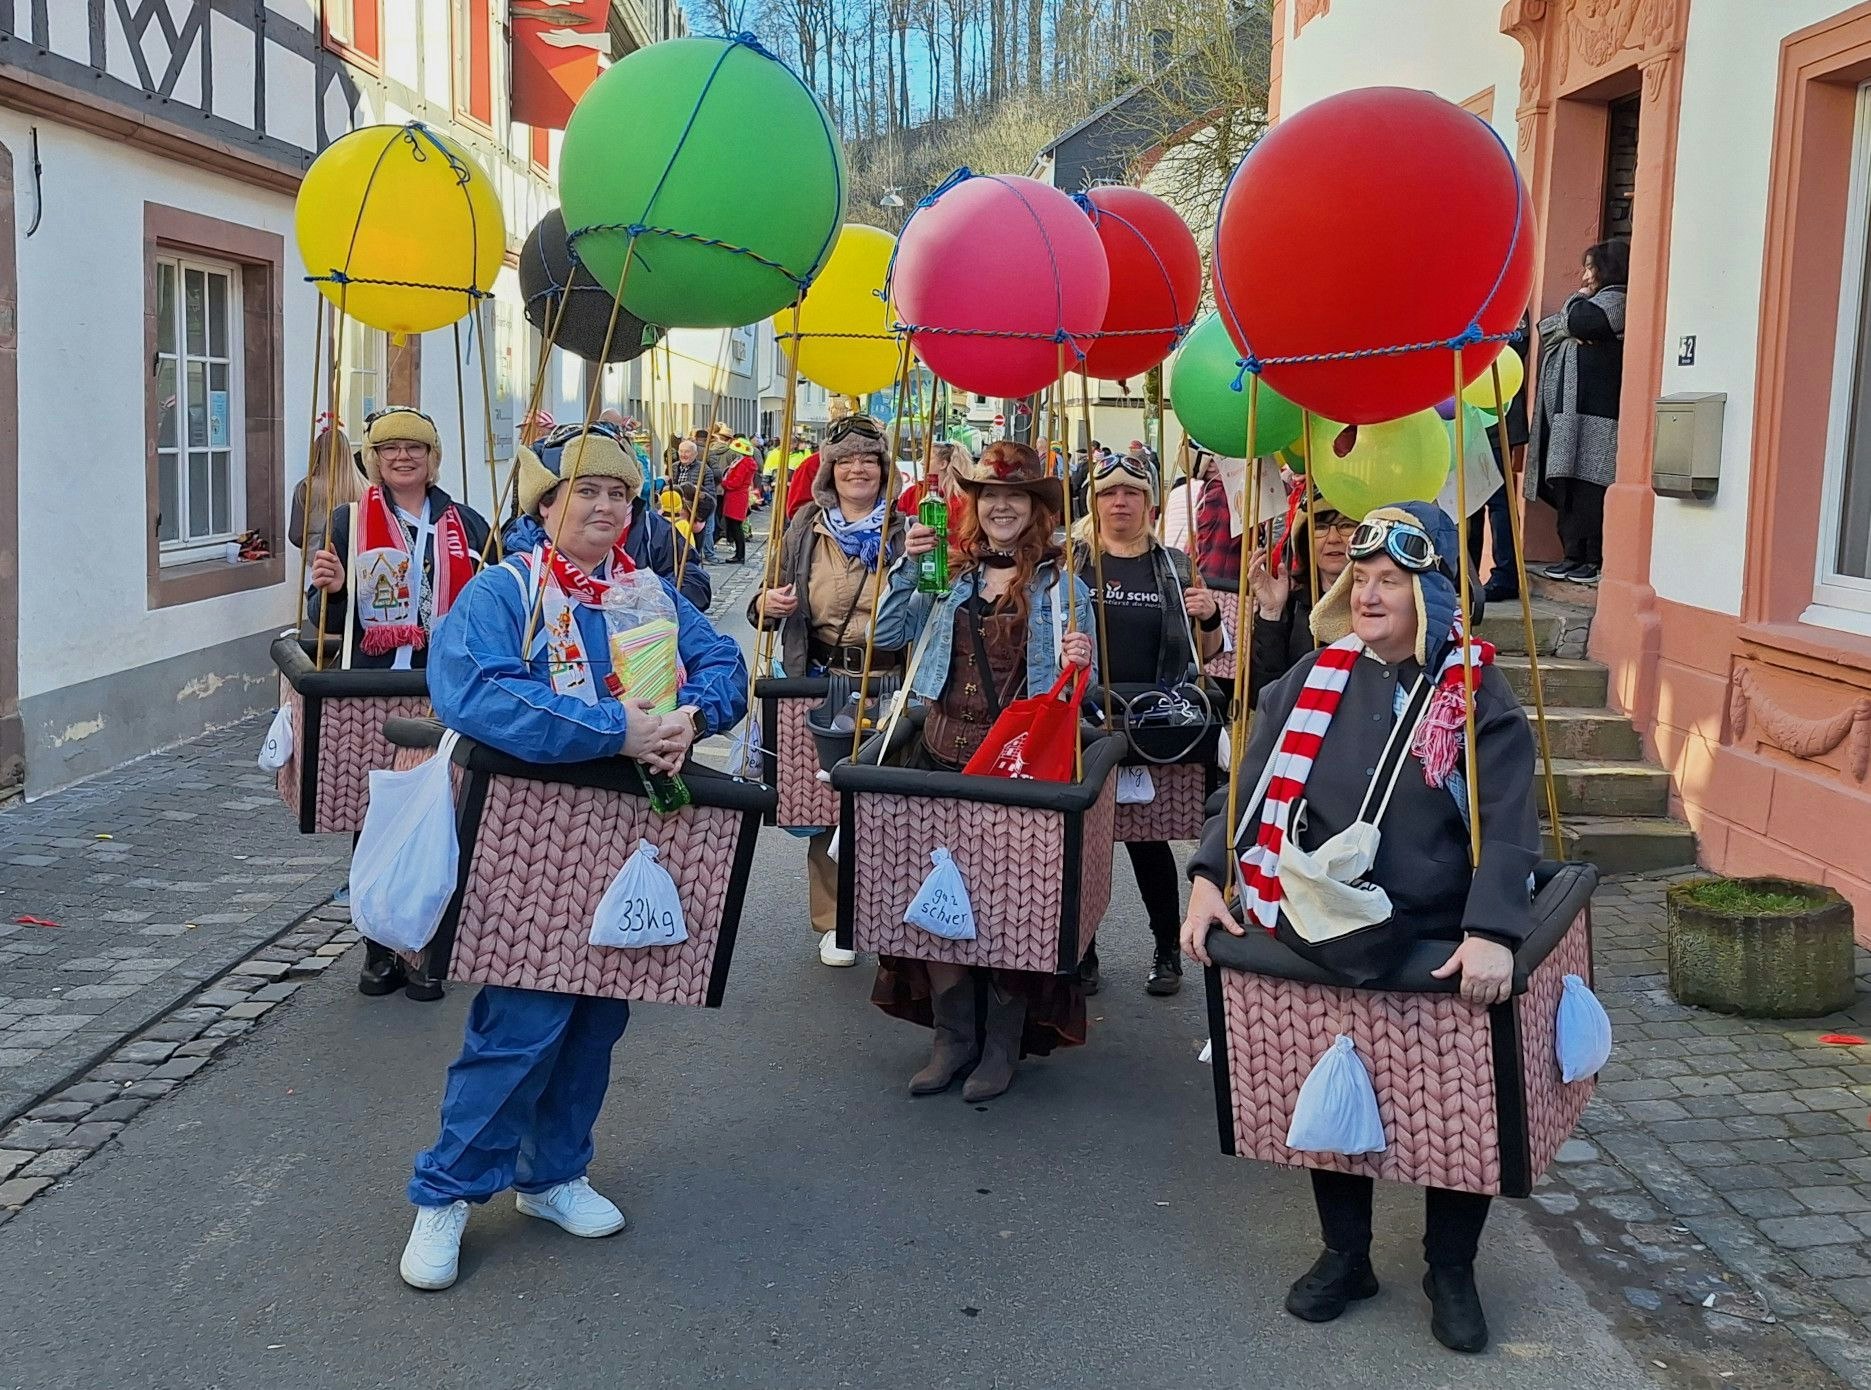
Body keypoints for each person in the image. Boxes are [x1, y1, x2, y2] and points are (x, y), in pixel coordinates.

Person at [1181, 500, 1539, 1355]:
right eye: (1362, 579)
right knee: (1331, 1097)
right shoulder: (1310, 677)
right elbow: (1252, 786)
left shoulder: (1473, 689)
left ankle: (1450, 1267)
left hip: (1433, 937)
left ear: (1432, 598)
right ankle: (1346, 1255)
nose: (1371, 595)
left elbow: (1509, 818)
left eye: (1392, 582)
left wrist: (1492, 929)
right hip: (1314, 929)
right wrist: (1205, 875)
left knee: (1457, 1110)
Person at [397, 428, 748, 1294]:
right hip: (532, 834)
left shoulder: (649, 590)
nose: (602, 508)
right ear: (545, 507)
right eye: (582, 493)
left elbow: (723, 666)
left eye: (617, 496)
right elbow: (473, 691)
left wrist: (689, 718)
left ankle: (552, 1174)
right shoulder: (505, 588)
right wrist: (615, 727)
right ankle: (445, 1192)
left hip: (631, 830)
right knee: (520, 1018)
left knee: (598, 1015)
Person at [869, 441, 1097, 1103]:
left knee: (1004, 909)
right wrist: (906, 571)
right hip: (940, 756)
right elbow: (886, 636)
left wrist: (1080, 663)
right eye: (989, 496)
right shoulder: (948, 570)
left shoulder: (1063, 585)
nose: (1000, 506)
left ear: (1034, 510)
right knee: (938, 903)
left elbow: (1075, 690)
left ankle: (1000, 1045)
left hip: (1016, 772)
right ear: (973, 505)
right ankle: (952, 1040)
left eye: (1015, 497)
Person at [307, 407, 493, 1004]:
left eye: (415, 448)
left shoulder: (468, 523)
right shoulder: (350, 522)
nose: (403, 458)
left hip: (445, 691)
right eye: (390, 450)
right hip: (374, 690)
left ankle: (425, 952)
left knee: (440, 820)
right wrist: (330, 590)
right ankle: (378, 950)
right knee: (376, 820)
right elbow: (323, 622)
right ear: (374, 460)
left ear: (433, 458)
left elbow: (492, 613)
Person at [750, 413, 908, 967]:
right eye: (846, 462)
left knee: (891, 801)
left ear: (884, 469)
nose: (858, 469)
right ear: (829, 471)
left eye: (869, 460)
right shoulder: (802, 529)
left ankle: (891, 916)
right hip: (825, 676)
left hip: (895, 678)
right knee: (826, 800)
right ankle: (836, 919)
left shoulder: (908, 529)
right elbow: (765, 599)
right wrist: (767, 605)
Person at [1071, 453, 1221, 997]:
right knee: (1083, 839)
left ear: (1151, 504)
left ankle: (1165, 950)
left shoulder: (1176, 566)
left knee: (1149, 840)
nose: (1119, 502)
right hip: (1085, 721)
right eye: (1108, 492)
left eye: (1131, 493)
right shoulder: (1070, 562)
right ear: (1094, 501)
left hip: (1155, 723)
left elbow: (1208, 655)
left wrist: (1207, 615)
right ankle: (1080, 952)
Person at [507, 423, 711, 613]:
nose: (605, 506)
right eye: (587, 491)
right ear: (545, 502)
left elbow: (696, 592)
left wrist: (647, 598)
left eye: (616, 494)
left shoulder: (654, 530)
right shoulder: (510, 581)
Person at [1528, 238, 1627, 587]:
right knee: (1566, 483)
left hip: (1596, 416)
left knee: (1590, 486)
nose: (1585, 276)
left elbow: (1582, 322)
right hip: (1568, 415)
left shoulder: (1618, 301)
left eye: (1590, 268)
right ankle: (1571, 554)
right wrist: (1572, 319)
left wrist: (1575, 308)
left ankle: (1591, 558)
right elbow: (1549, 327)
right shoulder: (1592, 303)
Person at [1242, 492, 1356, 705]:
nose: (1333, 539)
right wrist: (1271, 613)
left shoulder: (1374, 604)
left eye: (1346, 525)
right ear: (1304, 541)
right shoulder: (1292, 604)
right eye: (1320, 527)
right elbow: (1262, 695)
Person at [1473, 317, 1531, 604]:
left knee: (1499, 502)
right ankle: (1466, 575)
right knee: (1466, 503)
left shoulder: (1506, 295)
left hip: (1498, 416)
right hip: (1463, 415)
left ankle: (1506, 577)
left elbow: (1516, 348)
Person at [289, 418, 364, 560]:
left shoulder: (306, 488)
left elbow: (295, 535)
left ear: (318, 453)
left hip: (318, 560)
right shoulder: (366, 488)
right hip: (354, 560)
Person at [671, 438, 721, 562]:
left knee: (705, 530)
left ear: (694, 454)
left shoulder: (704, 468)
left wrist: (696, 491)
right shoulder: (674, 467)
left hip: (697, 505)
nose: (683, 455)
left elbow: (710, 491)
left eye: (687, 452)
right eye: (681, 451)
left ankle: (707, 555)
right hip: (680, 506)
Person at [718, 437, 757, 565]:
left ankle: (740, 555)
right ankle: (739, 554)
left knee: (736, 526)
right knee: (734, 525)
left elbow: (737, 481)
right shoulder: (743, 461)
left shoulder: (744, 463)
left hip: (736, 496)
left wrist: (724, 483)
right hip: (735, 496)